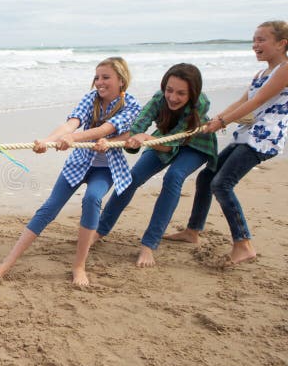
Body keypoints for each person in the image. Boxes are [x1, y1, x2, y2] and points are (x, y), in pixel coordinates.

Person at [0, 57, 141, 286]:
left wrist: (73, 138)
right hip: (79, 162)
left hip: (107, 167)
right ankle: (7, 262)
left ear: (121, 80)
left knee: (92, 199)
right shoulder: (91, 98)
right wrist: (48, 140)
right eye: (97, 77)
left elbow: (104, 129)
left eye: (106, 77)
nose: (99, 82)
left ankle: (79, 266)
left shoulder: (131, 104)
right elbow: (71, 123)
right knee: (49, 207)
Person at [165, 20, 288, 265]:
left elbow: (255, 103)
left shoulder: (284, 69)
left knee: (222, 184)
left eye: (261, 40)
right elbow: (242, 102)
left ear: (281, 44)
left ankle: (244, 244)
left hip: (264, 138)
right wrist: (215, 120)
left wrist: (222, 122)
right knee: (206, 177)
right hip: (248, 134)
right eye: (254, 40)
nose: (255, 45)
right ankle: (192, 231)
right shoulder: (261, 73)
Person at [91, 63, 218, 267]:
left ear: (192, 93)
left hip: (195, 144)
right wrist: (133, 138)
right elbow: (139, 125)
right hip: (162, 138)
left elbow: (171, 144)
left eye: (181, 93)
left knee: (173, 177)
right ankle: (98, 231)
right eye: (169, 90)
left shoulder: (200, 104)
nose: (173, 97)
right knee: (131, 179)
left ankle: (149, 244)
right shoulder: (159, 98)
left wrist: (145, 138)